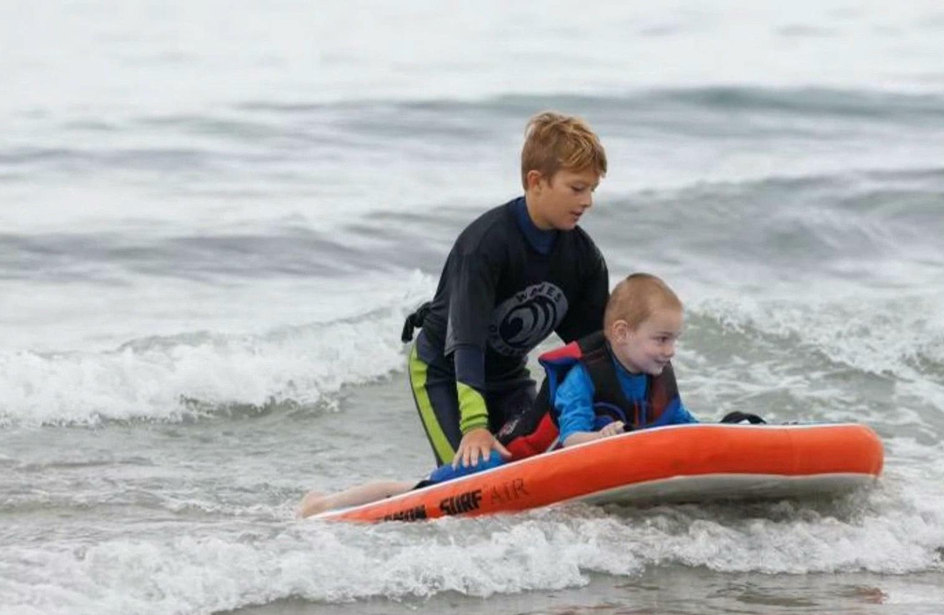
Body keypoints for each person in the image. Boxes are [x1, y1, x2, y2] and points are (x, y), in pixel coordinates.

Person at [297, 273, 700, 518]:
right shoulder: (583, 373)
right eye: (661, 339)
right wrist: (605, 438)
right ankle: (327, 506)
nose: (670, 350)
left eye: (673, 340)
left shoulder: (655, 374)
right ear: (622, 333)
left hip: (557, 467)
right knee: (417, 493)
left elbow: (682, 426)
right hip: (510, 460)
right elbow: (575, 438)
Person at [401, 111, 610, 471]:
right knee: (467, 478)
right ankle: (342, 505)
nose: (588, 200)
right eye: (577, 188)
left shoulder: (584, 260)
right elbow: (465, 342)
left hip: (509, 379)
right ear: (536, 181)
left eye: (592, 189)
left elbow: (595, 349)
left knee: (531, 465)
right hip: (444, 373)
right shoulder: (486, 245)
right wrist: (475, 427)